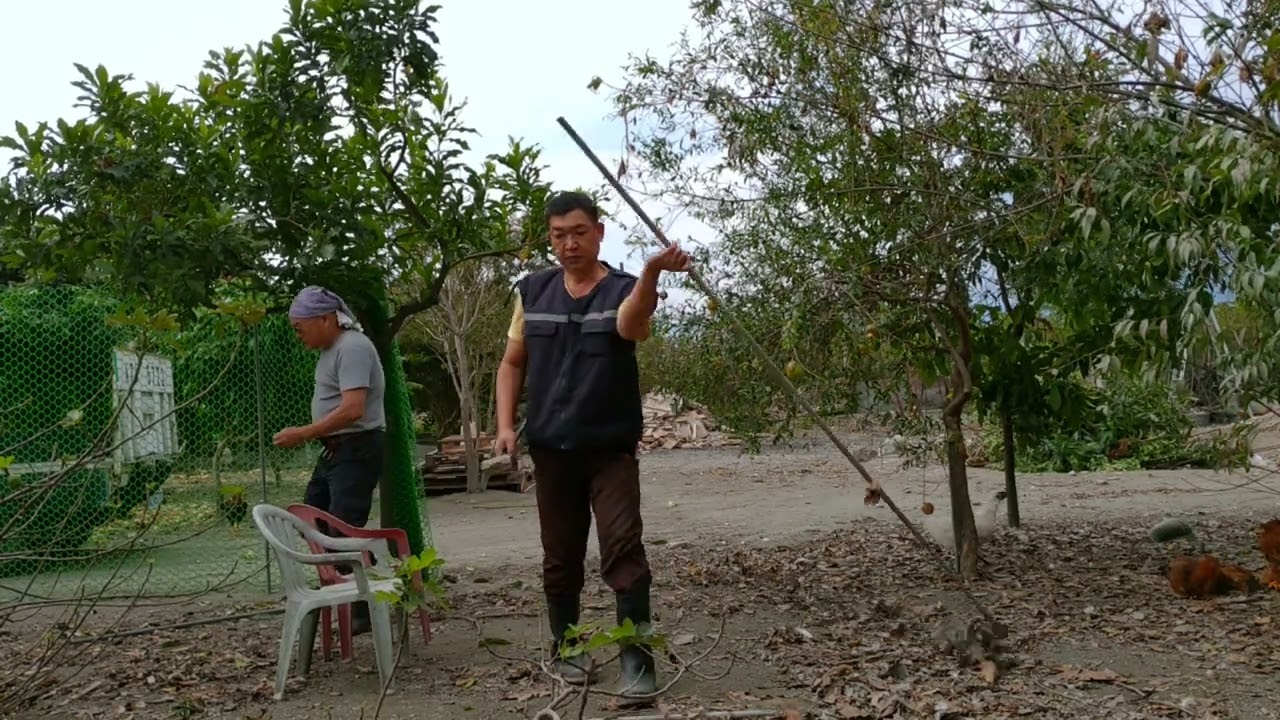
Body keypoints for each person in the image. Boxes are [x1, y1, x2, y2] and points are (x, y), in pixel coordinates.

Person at [493, 191, 692, 703]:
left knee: (623, 549)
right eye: (559, 235)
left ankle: (635, 658)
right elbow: (512, 362)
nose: (569, 243)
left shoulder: (624, 289)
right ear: (549, 239)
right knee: (559, 557)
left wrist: (651, 271)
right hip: (552, 450)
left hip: (609, 450)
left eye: (579, 232)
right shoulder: (532, 292)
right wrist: (506, 425)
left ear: (599, 232)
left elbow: (632, 324)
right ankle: (568, 647)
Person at [274, 285, 387, 634]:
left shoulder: (351, 347)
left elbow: (353, 409)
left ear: (325, 319)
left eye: (300, 327)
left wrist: (304, 432)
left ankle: (364, 609)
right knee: (314, 518)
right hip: (336, 451)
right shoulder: (331, 350)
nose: (299, 335)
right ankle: (351, 591)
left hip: (357, 448)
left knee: (342, 527)